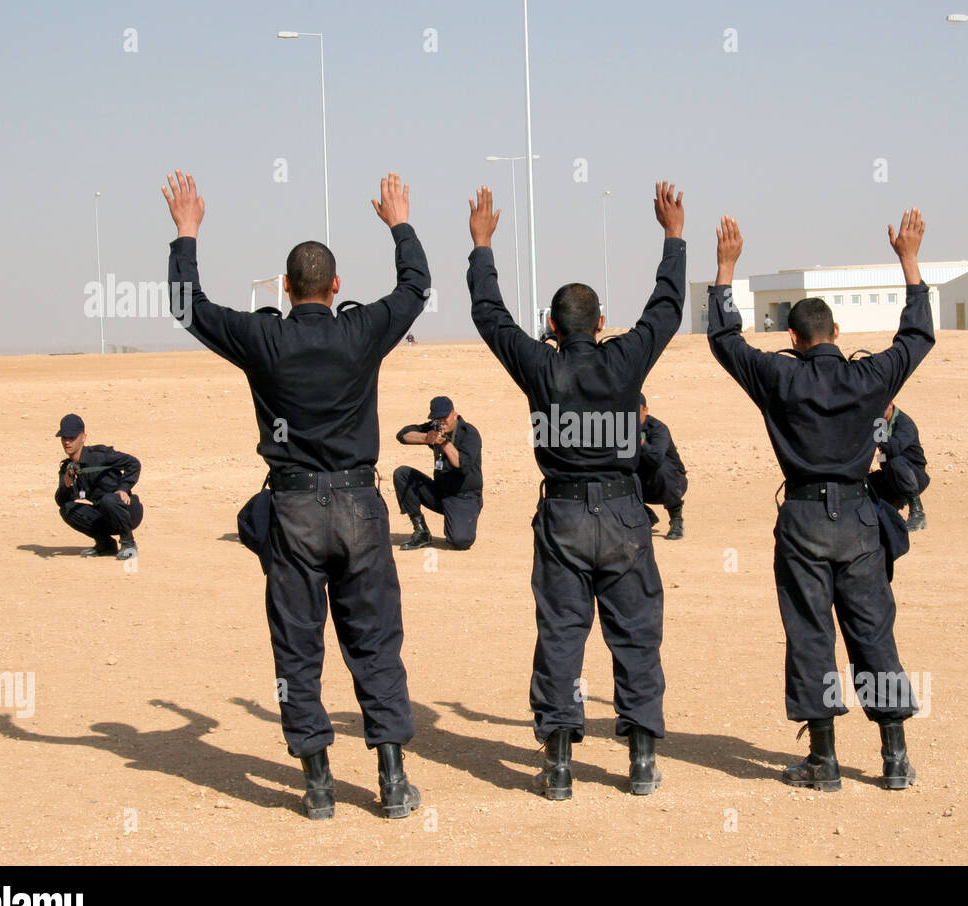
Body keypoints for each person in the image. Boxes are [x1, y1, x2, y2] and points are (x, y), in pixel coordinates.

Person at [163, 169, 427, 820]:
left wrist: (186, 234)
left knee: (298, 647)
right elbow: (416, 287)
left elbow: (186, 306)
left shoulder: (264, 337)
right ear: (335, 287)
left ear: (285, 288)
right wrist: (399, 223)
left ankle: (316, 783)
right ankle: (392, 779)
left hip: (295, 510)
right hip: (360, 509)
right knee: (374, 644)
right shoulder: (361, 330)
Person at [466, 181, 686, 799]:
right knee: (635, 633)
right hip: (622, 513)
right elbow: (666, 309)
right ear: (601, 324)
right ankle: (640, 762)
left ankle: (559, 766)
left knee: (562, 634)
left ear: (554, 327)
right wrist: (672, 236)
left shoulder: (540, 365)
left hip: (562, 513)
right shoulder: (625, 361)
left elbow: (490, 317)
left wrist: (482, 246)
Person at [707, 210, 932, 793]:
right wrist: (908, 260)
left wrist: (726, 269)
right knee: (872, 632)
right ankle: (895, 756)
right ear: (835, 335)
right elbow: (917, 337)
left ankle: (824, 761)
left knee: (810, 634)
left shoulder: (780, 378)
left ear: (793, 339)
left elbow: (724, 340)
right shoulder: (870, 379)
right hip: (859, 519)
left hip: (804, 516)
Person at [393, 396, 483, 550]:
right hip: (440, 493)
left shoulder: (469, 433)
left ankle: (458, 520)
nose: (441, 422)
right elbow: (402, 435)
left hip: (463, 497)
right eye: (437, 418)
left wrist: (444, 443)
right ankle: (421, 531)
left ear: (454, 414)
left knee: (460, 541)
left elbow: (461, 465)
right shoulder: (435, 428)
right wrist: (427, 438)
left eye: (444, 417)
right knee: (402, 474)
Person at [54, 413, 143, 560]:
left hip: (127, 510)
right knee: (67, 510)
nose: (67, 442)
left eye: (72, 438)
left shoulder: (100, 455)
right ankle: (106, 544)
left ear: (83, 437)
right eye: (64, 438)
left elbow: (133, 463)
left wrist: (123, 488)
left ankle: (128, 543)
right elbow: (61, 500)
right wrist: (66, 485)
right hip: (105, 514)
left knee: (109, 500)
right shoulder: (68, 468)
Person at [868, 402, 929, 532]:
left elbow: (894, 449)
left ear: (890, 405)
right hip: (892, 475)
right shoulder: (881, 422)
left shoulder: (904, 423)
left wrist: (876, 433)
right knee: (866, 482)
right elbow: (882, 454)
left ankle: (917, 512)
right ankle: (888, 515)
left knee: (896, 463)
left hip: (913, 476)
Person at [637, 394, 687, 539]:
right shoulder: (617, 427)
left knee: (662, 469)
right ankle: (646, 515)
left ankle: (676, 519)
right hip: (641, 483)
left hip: (671, 481)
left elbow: (656, 458)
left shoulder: (657, 428)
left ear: (645, 410)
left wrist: (639, 441)